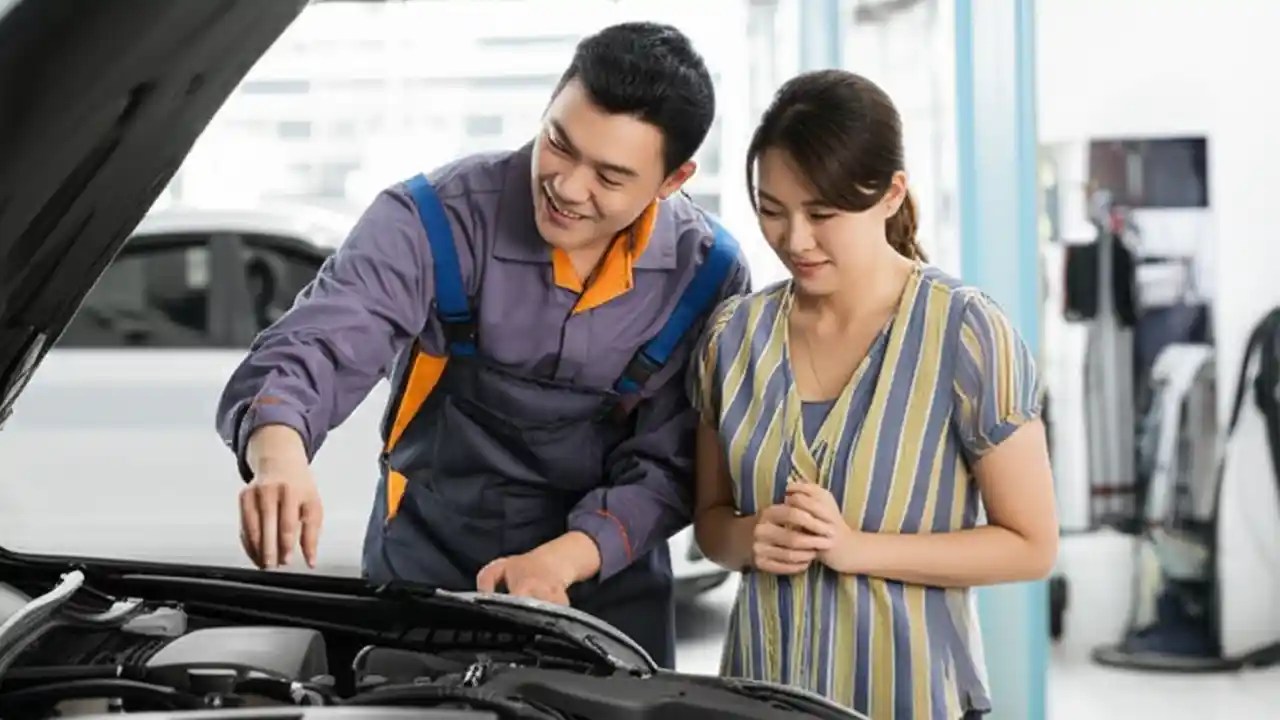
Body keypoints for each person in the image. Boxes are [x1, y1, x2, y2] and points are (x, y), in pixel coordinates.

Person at [215, 21, 752, 669]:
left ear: (674, 179)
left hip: (606, 590)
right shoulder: (433, 218)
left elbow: (669, 464)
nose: (568, 186)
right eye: (559, 142)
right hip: (426, 571)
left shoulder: (708, 273)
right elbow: (323, 338)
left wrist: (560, 561)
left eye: (610, 177)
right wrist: (279, 455)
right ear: (551, 101)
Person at [687, 69, 1059, 718]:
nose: (794, 240)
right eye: (772, 211)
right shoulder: (732, 336)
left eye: (822, 214)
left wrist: (857, 549)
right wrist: (750, 539)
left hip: (913, 697)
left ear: (891, 195)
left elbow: (1032, 544)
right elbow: (712, 526)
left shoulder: (964, 332)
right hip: (758, 693)